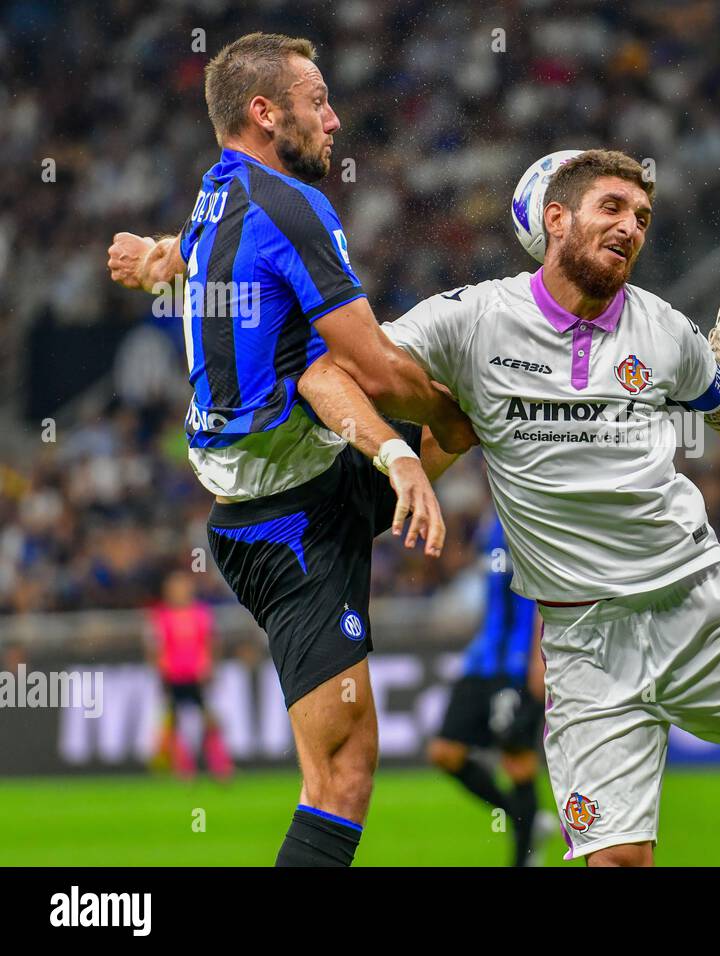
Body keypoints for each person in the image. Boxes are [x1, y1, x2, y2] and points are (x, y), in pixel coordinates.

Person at [301, 148, 720, 865]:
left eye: (642, 217)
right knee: (617, 861)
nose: (631, 226)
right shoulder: (474, 319)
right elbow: (329, 374)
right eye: (612, 208)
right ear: (556, 219)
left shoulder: (659, 329)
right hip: (585, 651)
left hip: (701, 613)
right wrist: (398, 454)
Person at [106, 32, 475, 866]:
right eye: (318, 103)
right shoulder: (291, 207)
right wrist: (431, 436)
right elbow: (373, 370)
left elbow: (198, 256)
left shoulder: (219, 197)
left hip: (308, 485)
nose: (336, 120)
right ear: (265, 113)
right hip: (289, 526)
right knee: (342, 775)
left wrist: (153, 262)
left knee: (483, 373)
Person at [428, 512, 547, 866]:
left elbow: (552, 585)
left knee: (518, 762)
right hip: (482, 658)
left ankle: (524, 858)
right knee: (444, 752)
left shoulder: (540, 512)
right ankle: (525, 820)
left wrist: (540, 658)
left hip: (519, 660)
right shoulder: (490, 521)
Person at [145, 570, 233, 781]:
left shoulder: (201, 614)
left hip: (196, 675)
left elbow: (211, 643)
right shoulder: (162, 616)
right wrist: (160, 669)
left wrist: (209, 665)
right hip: (174, 676)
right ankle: (183, 768)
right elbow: (156, 647)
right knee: (173, 722)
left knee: (209, 719)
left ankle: (220, 765)